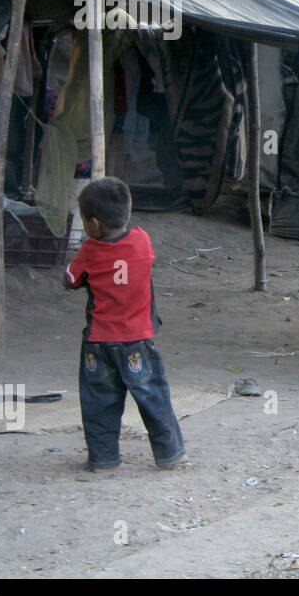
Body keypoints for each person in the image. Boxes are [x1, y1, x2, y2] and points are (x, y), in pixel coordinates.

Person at [62, 176, 186, 471]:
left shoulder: (89, 252)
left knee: (99, 401)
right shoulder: (142, 240)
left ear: (93, 224)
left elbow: (69, 280)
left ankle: (104, 458)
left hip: (98, 343)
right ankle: (170, 453)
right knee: (153, 394)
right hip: (136, 341)